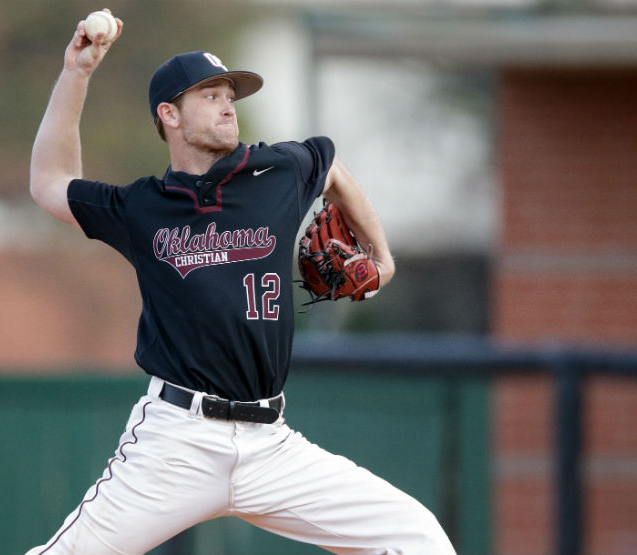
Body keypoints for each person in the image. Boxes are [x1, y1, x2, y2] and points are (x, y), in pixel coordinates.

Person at [26, 11, 456, 555]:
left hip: (270, 444)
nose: (228, 103)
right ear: (170, 115)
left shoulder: (274, 173)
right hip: (176, 442)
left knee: (417, 539)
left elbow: (332, 169)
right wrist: (77, 74)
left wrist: (382, 255)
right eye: (209, 95)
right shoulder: (142, 207)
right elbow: (49, 183)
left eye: (230, 92)